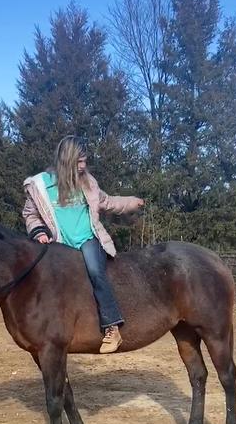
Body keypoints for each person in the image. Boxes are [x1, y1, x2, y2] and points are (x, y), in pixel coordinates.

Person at [21, 136, 145, 353]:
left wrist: (131, 202)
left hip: (88, 240)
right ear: (67, 160)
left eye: (84, 161)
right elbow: (30, 215)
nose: (83, 166)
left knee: (96, 271)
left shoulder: (87, 182)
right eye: (79, 161)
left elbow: (108, 202)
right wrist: (39, 232)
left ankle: (112, 327)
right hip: (59, 246)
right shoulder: (40, 186)